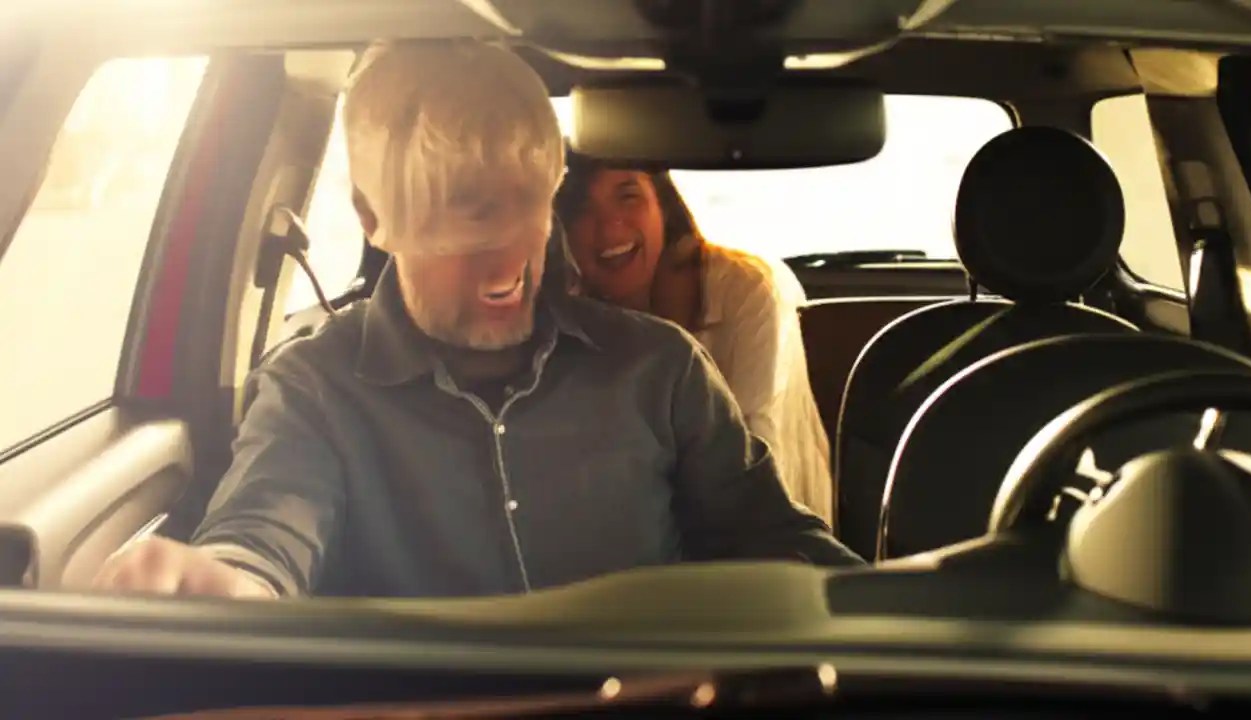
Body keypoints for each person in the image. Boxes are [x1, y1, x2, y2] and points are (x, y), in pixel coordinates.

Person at [92, 40, 860, 600]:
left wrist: (901, 602)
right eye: (466, 220)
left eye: (530, 208)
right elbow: (264, 537)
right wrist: (221, 584)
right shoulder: (312, 390)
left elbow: (776, 541)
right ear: (371, 216)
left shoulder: (663, 368)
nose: (507, 265)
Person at [554, 155, 835, 525]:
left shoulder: (745, 290)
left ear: (663, 206)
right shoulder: (567, 319)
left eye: (628, 197)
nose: (609, 227)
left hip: (768, 533)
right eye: (583, 210)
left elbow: (748, 474)